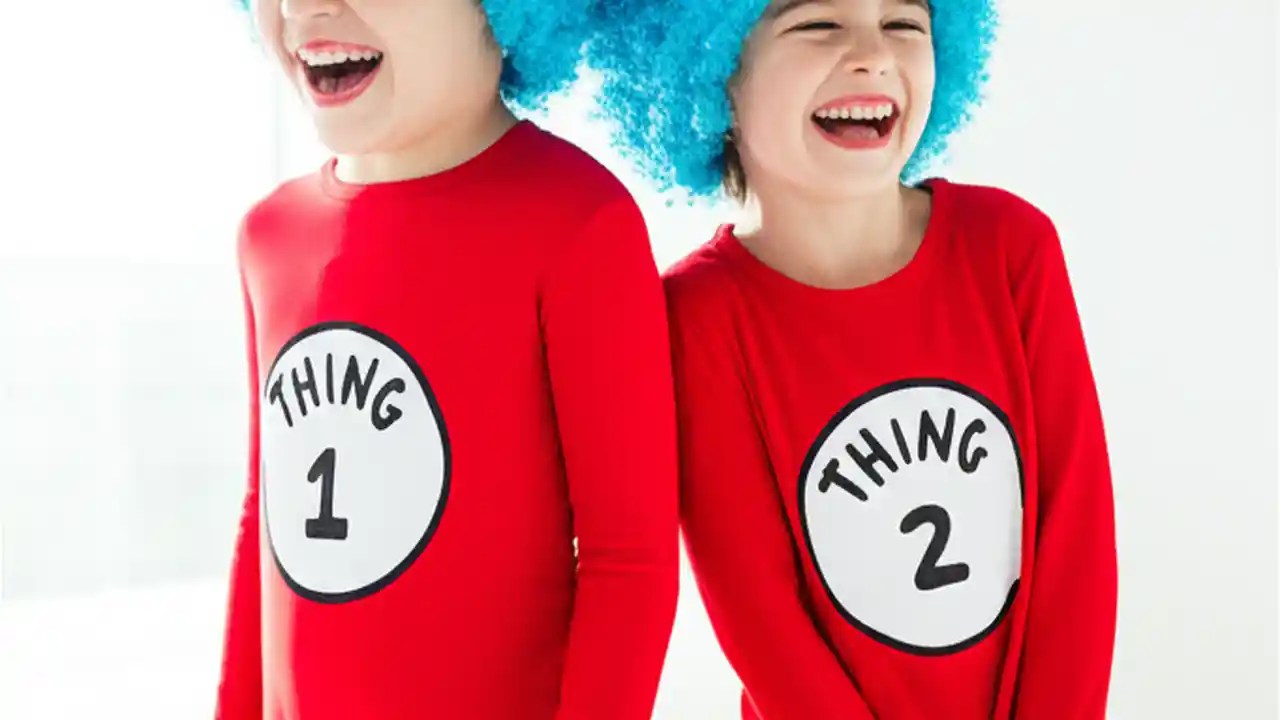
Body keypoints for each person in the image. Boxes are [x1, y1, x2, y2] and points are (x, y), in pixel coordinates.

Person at [586, 0, 1118, 717]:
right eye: (817, 24)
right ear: (713, 71)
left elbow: (1075, 545)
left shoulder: (1010, 248)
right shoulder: (695, 318)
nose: (873, 55)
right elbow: (759, 614)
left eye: (904, 24)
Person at [216, 1, 679, 717]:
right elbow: (266, 523)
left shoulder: (577, 222)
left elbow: (630, 560)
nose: (306, 6)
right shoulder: (269, 235)